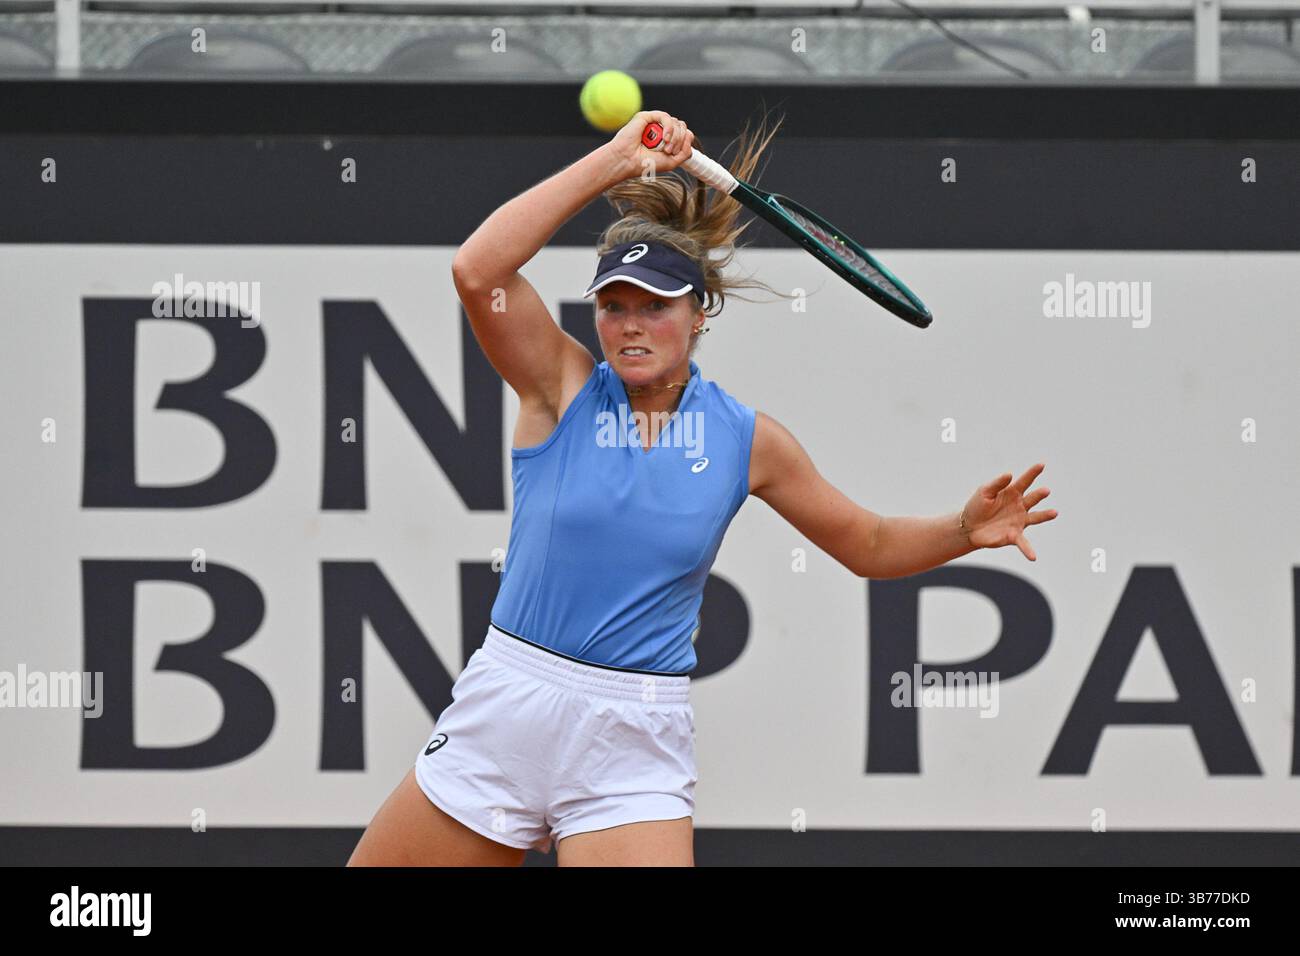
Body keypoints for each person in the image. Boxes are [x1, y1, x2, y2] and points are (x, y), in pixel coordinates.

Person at [347, 110, 1058, 867]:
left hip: (632, 736)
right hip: (508, 706)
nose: (630, 325)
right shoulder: (560, 388)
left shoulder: (748, 440)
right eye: (614, 305)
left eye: (655, 306)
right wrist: (616, 162)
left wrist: (961, 530)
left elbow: (870, 544)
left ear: (698, 312)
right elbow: (478, 270)